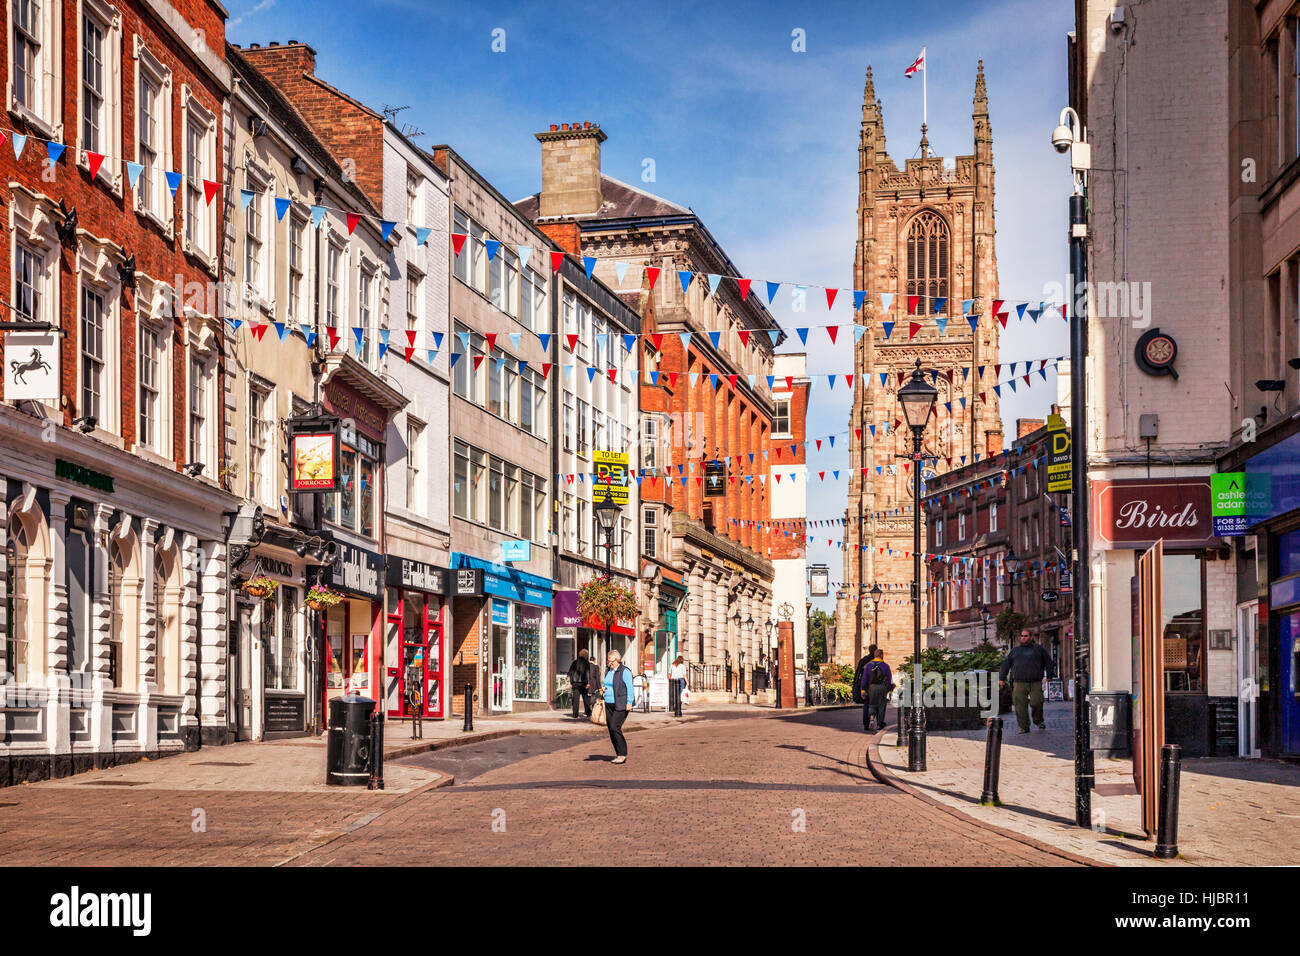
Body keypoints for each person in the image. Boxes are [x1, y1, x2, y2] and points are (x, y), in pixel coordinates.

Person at [999, 630, 1053, 733]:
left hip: (1035, 681)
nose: (1023, 638)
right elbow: (1006, 664)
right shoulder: (1015, 651)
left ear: (1031, 637)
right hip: (1019, 682)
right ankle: (1023, 727)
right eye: (1022, 636)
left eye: (1026, 636)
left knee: (1037, 702)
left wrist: (1050, 675)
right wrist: (1002, 678)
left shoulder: (1039, 649)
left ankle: (1038, 720)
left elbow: (1048, 662)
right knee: (1020, 706)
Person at [602, 649, 636, 763]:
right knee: (611, 729)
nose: (608, 662)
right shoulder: (608, 671)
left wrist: (629, 702)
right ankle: (618, 753)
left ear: (616, 660)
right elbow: (608, 684)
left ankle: (622, 754)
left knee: (614, 726)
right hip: (608, 703)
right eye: (608, 660)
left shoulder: (624, 671)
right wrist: (604, 689)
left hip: (621, 703)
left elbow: (630, 687)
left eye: (610, 660)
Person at [860, 649, 893, 732]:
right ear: (881, 655)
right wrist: (890, 691)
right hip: (882, 687)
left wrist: (862, 690)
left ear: (874, 655)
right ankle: (879, 724)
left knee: (872, 704)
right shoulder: (885, 666)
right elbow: (889, 679)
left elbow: (864, 679)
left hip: (871, 687)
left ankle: (871, 719)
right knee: (881, 706)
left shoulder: (868, 665)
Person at [854, 644, 878, 726]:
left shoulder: (864, 660)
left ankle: (866, 723)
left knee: (867, 703)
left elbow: (857, 673)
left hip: (866, 685)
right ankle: (875, 720)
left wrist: (856, 684)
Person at [567, 648, 592, 719]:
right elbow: (587, 673)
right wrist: (588, 682)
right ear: (586, 655)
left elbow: (570, 672)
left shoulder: (574, 662)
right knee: (586, 698)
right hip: (583, 683)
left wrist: (571, 682)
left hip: (575, 683)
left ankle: (575, 714)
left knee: (576, 699)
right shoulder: (586, 663)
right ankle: (588, 713)